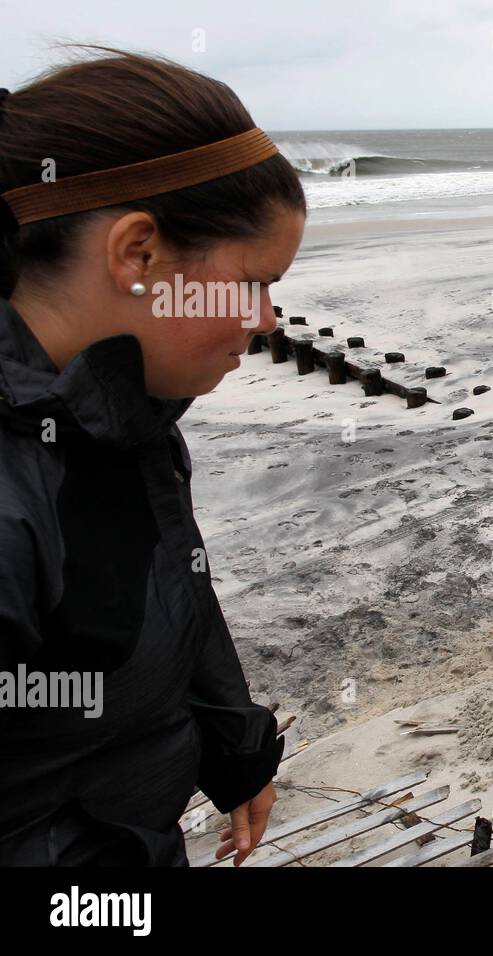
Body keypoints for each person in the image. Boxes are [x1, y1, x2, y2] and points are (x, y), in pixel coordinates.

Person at [0, 49, 306, 864]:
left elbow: (173, 582)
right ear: (138, 254)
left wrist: (234, 747)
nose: (268, 319)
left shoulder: (118, 412)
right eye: (252, 283)